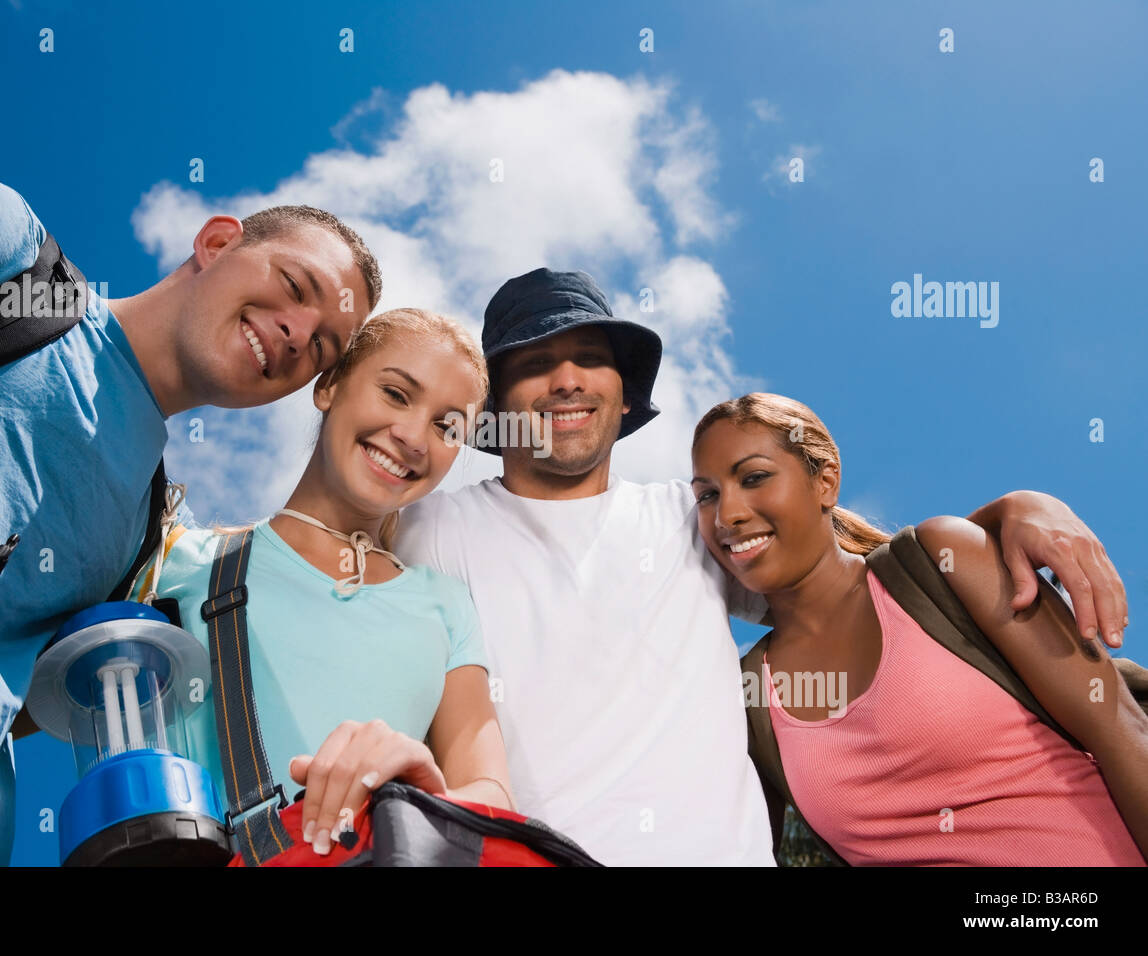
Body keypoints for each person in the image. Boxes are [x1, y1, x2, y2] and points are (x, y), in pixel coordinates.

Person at [392, 267, 1132, 866]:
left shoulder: (690, 519)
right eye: (534, 363)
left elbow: (853, 574)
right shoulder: (427, 529)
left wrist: (1020, 507)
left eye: (591, 357)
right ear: (493, 406)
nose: (567, 380)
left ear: (623, 392)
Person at [0, 172, 380, 865]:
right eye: (295, 285)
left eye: (323, 348)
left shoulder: (144, 536)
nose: (298, 333)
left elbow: (7, 697)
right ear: (217, 243)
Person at [691, 392, 1145, 866]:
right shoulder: (749, 692)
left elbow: (1122, 733)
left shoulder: (939, 562)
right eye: (707, 495)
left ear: (825, 481)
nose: (728, 515)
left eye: (755, 477)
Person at [141, 308, 512, 859]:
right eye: (395, 393)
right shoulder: (180, 562)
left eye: (446, 426)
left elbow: (492, 798)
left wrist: (425, 779)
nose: (414, 437)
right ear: (329, 387)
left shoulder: (445, 604)